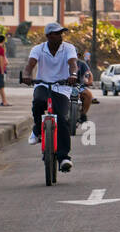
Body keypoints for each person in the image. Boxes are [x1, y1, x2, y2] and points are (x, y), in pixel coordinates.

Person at [23, 23, 79, 173]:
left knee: (61, 118)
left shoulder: (68, 48)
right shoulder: (38, 49)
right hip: (42, 83)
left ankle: (64, 158)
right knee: (38, 103)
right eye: (56, 34)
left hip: (62, 87)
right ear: (48, 36)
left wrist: (73, 75)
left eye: (61, 33)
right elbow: (30, 65)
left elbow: (73, 63)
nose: (60, 36)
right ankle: (37, 129)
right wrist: (27, 76)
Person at [78, 50, 96, 123]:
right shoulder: (62, 62)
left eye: (76, 54)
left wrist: (89, 81)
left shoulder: (82, 64)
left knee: (88, 95)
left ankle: (83, 114)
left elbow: (89, 73)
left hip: (78, 86)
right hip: (63, 86)